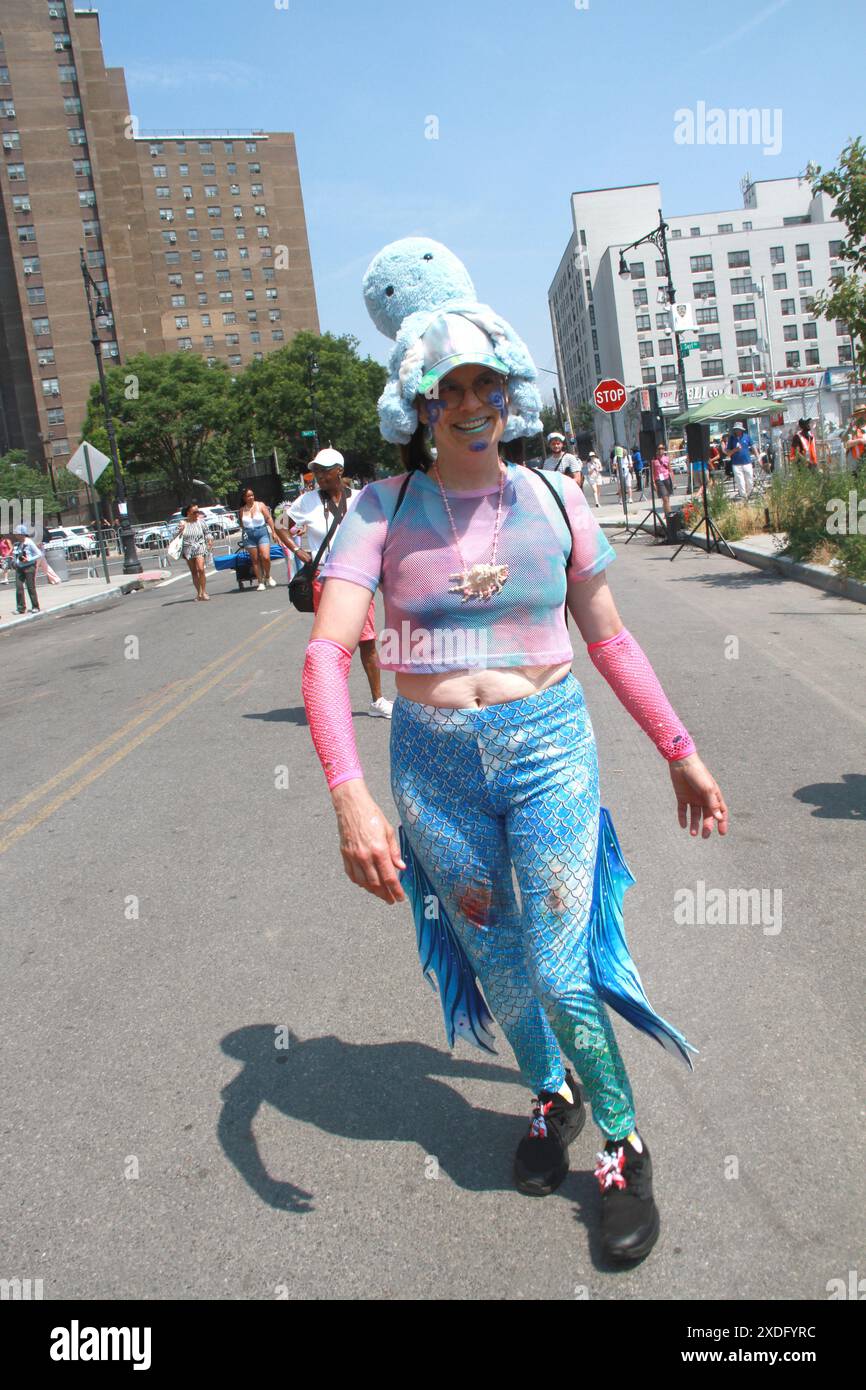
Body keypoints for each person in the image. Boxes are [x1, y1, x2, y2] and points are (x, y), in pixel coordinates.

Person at [302, 248, 728, 1265]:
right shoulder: (378, 511)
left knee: (557, 962)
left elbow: (608, 637)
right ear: (414, 401)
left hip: (545, 749)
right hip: (433, 763)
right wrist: (349, 798)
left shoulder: (553, 500)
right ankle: (551, 1093)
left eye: (482, 382)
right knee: (497, 963)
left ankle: (621, 1142)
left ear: (508, 388)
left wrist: (679, 749)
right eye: (444, 388)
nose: (467, 403)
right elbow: (326, 651)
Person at [276, 447, 392, 720]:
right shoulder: (306, 502)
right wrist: (297, 550)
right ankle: (332, 704)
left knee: (367, 642)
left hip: (358, 576)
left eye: (325, 471)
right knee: (330, 644)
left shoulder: (361, 498)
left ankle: (377, 700)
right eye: (315, 471)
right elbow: (281, 524)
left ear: (339, 470)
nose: (319, 476)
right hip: (324, 579)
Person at [238, 487, 278, 591]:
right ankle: (260, 582)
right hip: (249, 535)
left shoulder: (260, 505)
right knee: (255, 560)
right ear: (244, 498)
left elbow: (269, 518)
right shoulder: (242, 510)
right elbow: (242, 525)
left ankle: (268, 576)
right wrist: (245, 535)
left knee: (265, 557)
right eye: (248, 496)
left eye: (252, 495)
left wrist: (274, 532)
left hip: (262, 532)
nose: (251, 497)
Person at [177, 502, 213, 601]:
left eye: (198, 511)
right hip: (188, 548)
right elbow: (177, 537)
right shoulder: (183, 523)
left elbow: (207, 533)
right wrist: (180, 531)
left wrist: (209, 541)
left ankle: (204, 592)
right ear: (188, 513)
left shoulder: (201, 522)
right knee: (194, 572)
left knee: (201, 569)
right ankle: (199, 593)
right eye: (194, 512)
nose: (197, 514)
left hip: (200, 546)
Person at [10, 523, 41, 614]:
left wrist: (29, 559)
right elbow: (16, 555)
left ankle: (35, 606)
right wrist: (14, 562)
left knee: (30, 587)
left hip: (29, 567)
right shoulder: (17, 543)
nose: (15, 535)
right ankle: (20, 608)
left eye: (17, 533)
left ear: (22, 534)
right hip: (19, 568)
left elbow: (39, 554)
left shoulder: (29, 542)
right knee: (19, 587)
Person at [725, 421, 757, 500]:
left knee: (749, 480)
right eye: (736, 429)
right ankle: (743, 497)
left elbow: (753, 447)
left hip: (747, 462)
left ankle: (750, 494)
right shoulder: (731, 439)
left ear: (742, 430)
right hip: (736, 464)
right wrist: (735, 450)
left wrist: (758, 456)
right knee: (740, 482)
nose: (737, 431)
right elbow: (728, 453)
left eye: (739, 429)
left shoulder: (747, 437)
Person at [652, 445, 675, 541]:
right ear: (656, 450)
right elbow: (653, 472)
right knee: (665, 498)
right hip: (659, 480)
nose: (661, 450)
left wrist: (673, 480)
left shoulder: (666, 458)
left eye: (662, 448)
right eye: (659, 449)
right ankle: (670, 517)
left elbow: (670, 469)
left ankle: (666, 513)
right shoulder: (654, 460)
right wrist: (653, 483)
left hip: (667, 478)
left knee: (667, 499)